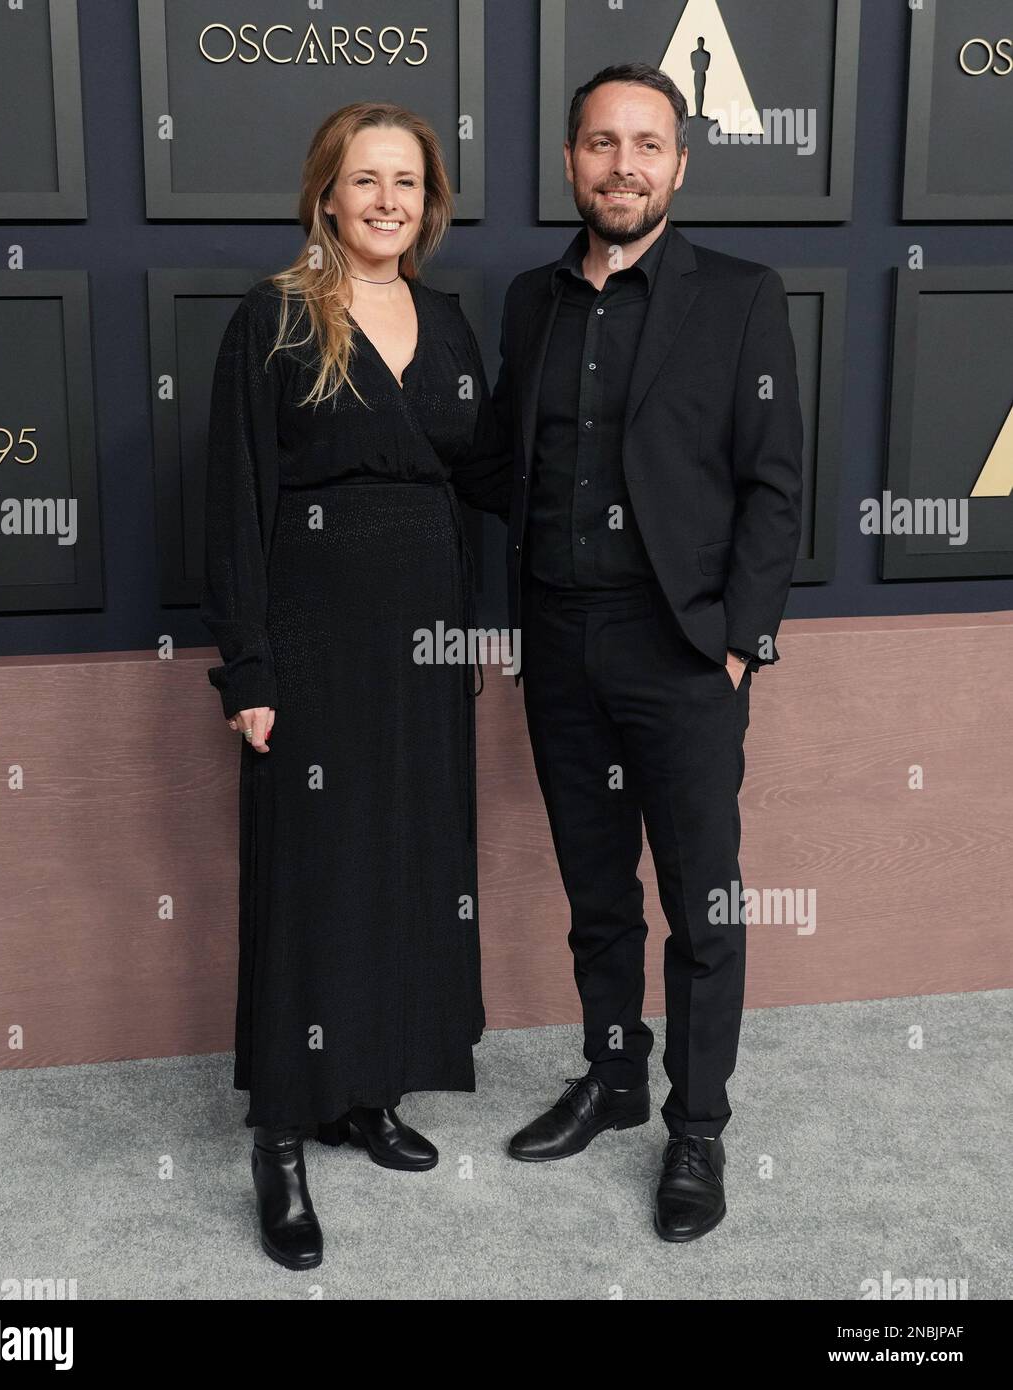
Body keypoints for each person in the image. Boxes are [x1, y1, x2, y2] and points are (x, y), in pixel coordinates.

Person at [484, 64, 804, 1241]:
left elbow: (775, 489)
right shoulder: (529, 302)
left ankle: (696, 1128)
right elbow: (499, 470)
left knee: (701, 907)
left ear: (679, 163)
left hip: (680, 652)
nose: (622, 164)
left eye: (646, 144)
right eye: (600, 143)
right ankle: (615, 1081)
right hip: (558, 642)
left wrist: (735, 646)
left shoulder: (738, 295)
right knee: (594, 896)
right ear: (569, 161)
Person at [199, 102, 509, 1270]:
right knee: (310, 874)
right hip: (314, 643)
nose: (388, 199)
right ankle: (280, 1133)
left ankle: (364, 1090)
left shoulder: (447, 321)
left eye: (409, 182)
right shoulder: (274, 318)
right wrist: (250, 667)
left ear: (430, 202)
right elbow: (233, 503)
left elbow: (484, 477)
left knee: (404, 861)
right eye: (364, 179)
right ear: (325, 193)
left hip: (424, 644)